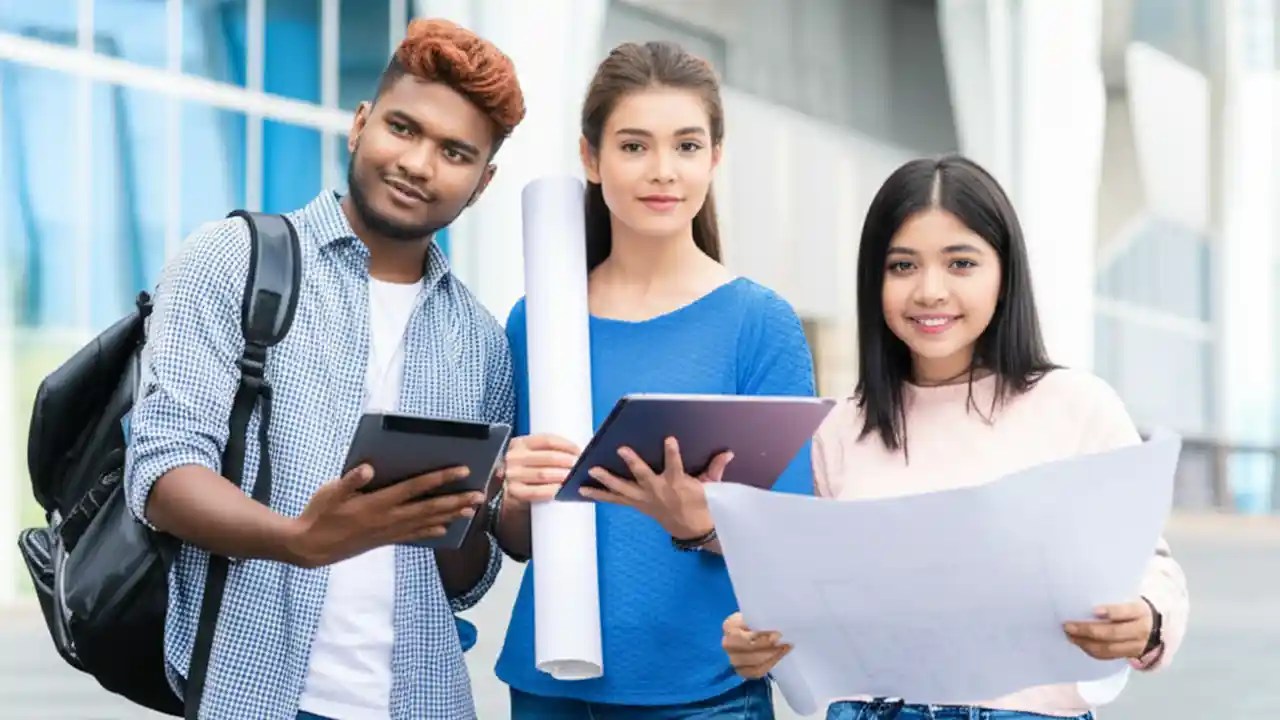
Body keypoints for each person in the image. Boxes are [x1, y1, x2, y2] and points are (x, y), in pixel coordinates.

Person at [123, 18, 526, 720]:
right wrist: (298, 540)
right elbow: (160, 471)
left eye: (455, 152)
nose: (419, 164)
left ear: (482, 182)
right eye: (403, 129)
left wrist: (477, 511)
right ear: (361, 123)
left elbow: (461, 582)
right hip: (251, 693)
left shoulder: (482, 341)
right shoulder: (235, 260)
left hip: (421, 699)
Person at [719, 155, 1190, 720]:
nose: (930, 291)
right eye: (902, 266)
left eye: (961, 263)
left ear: (1004, 273)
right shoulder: (839, 429)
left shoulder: (1077, 408)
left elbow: (1149, 564)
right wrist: (758, 641)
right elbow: (798, 595)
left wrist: (1147, 618)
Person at [488, 41, 817, 719]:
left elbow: (796, 539)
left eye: (687, 147)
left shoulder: (759, 323)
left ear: (715, 159)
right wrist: (515, 498)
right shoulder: (537, 321)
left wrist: (697, 522)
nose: (662, 172)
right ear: (591, 158)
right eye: (634, 146)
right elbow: (519, 542)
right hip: (550, 688)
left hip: (705, 689)